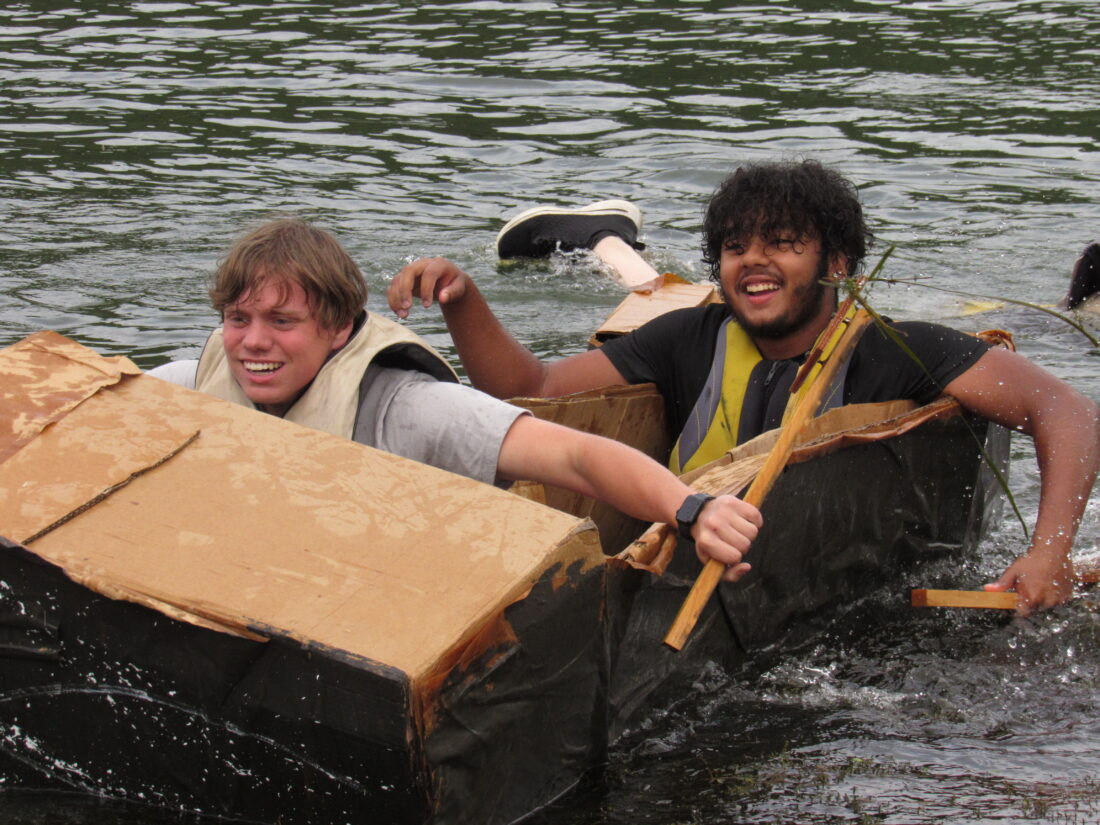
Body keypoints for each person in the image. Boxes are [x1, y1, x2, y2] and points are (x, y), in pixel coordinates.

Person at [387, 159, 1100, 616]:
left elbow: (1063, 407)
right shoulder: (688, 339)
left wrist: (1049, 551)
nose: (753, 262)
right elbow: (532, 386)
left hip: (809, 578)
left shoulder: (897, 348)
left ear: (839, 262)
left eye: (783, 242)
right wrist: (462, 299)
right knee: (650, 296)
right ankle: (598, 238)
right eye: (735, 248)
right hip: (697, 554)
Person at [147, 218, 762, 580]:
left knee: (654, 291)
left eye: (283, 322)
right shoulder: (187, 386)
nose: (254, 343)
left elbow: (577, 457)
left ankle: (605, 240)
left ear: (337, 329)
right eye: (237, 319)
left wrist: (691, 510)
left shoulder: (408, 409)